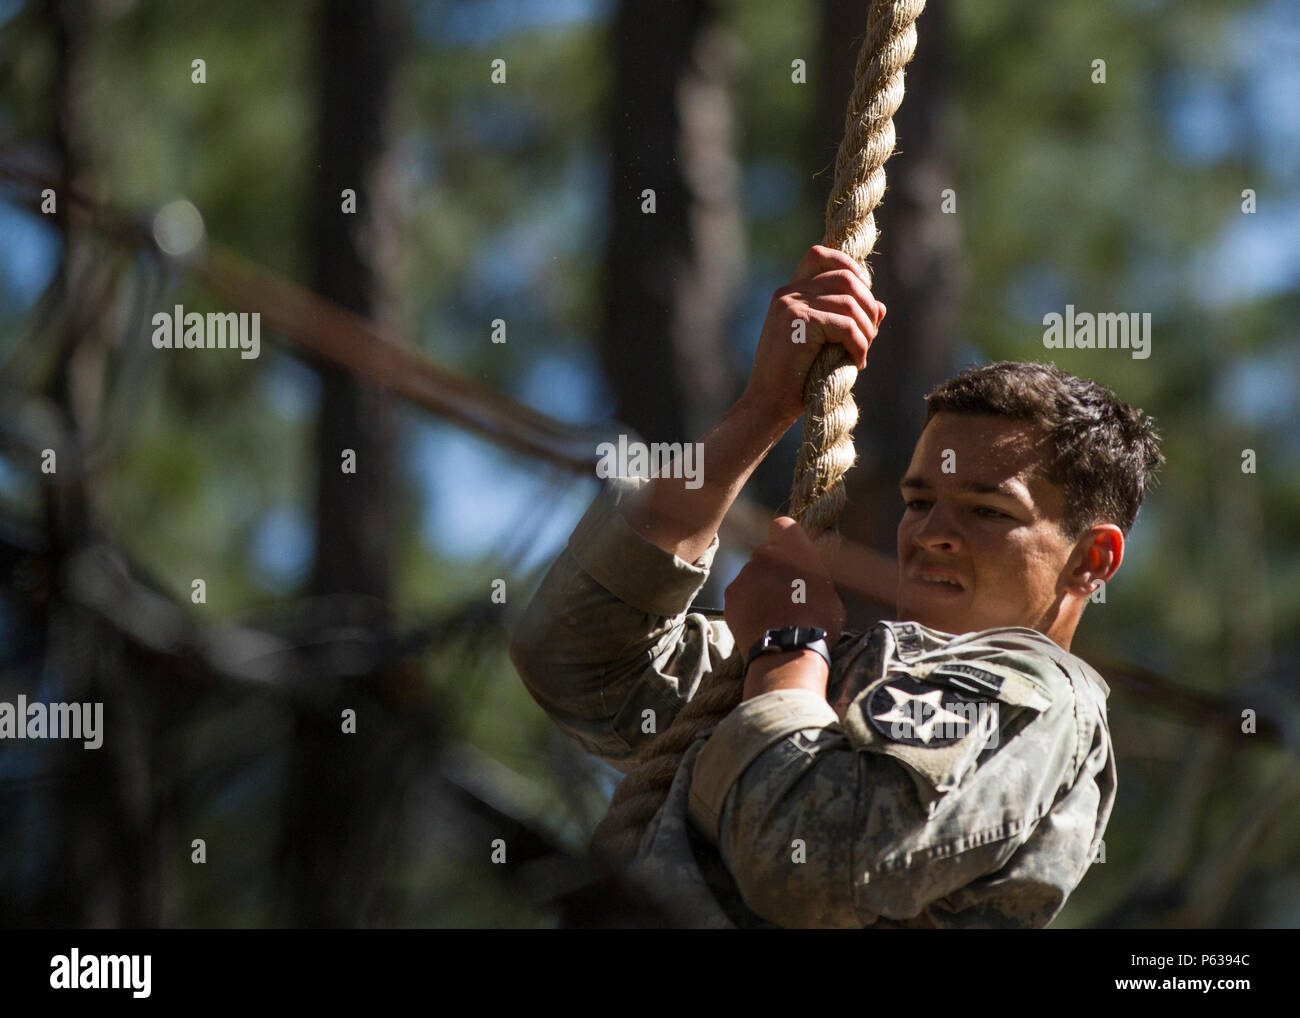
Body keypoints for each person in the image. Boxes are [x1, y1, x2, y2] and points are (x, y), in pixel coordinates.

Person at [510, 244, 1165, 928]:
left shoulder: (1042, 700)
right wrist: (764, 408)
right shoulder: (829, 670)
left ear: (1093, 559)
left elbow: (810, 868)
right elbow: (579, 661)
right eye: (918, 501)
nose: (931, 533)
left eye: (988, 510)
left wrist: (785, 646)